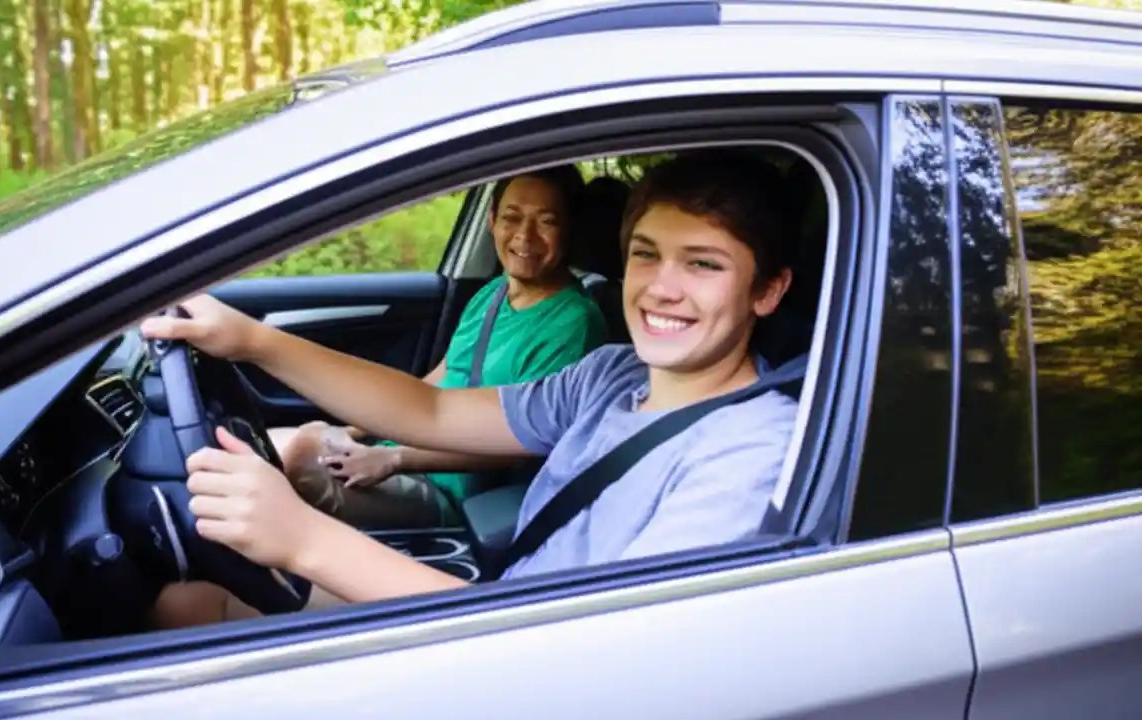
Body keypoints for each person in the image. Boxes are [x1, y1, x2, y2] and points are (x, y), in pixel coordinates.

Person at [143, 151, 800, 624]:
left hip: (518, 656)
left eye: (704, 265)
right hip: (498, 600)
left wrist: (301, 537)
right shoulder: (613, 376)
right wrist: (253, 341)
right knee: (187, 604)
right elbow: (429, 407)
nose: (661, 287)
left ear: (768, 290)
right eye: (646, 253)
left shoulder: (746, 452)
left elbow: (591, 657)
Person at [271, 164, 608, 530]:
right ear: (492, 221)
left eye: (546, 221)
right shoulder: (490, 295)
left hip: (465, 497)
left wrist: (394, 459)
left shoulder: (575, 322)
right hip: (402, 455)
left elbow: (522, 442)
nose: (525, 236)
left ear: (569, 230)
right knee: (276, 444)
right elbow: (437, 380)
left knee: (298, 458)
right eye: (512, 217)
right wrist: (356, 431)